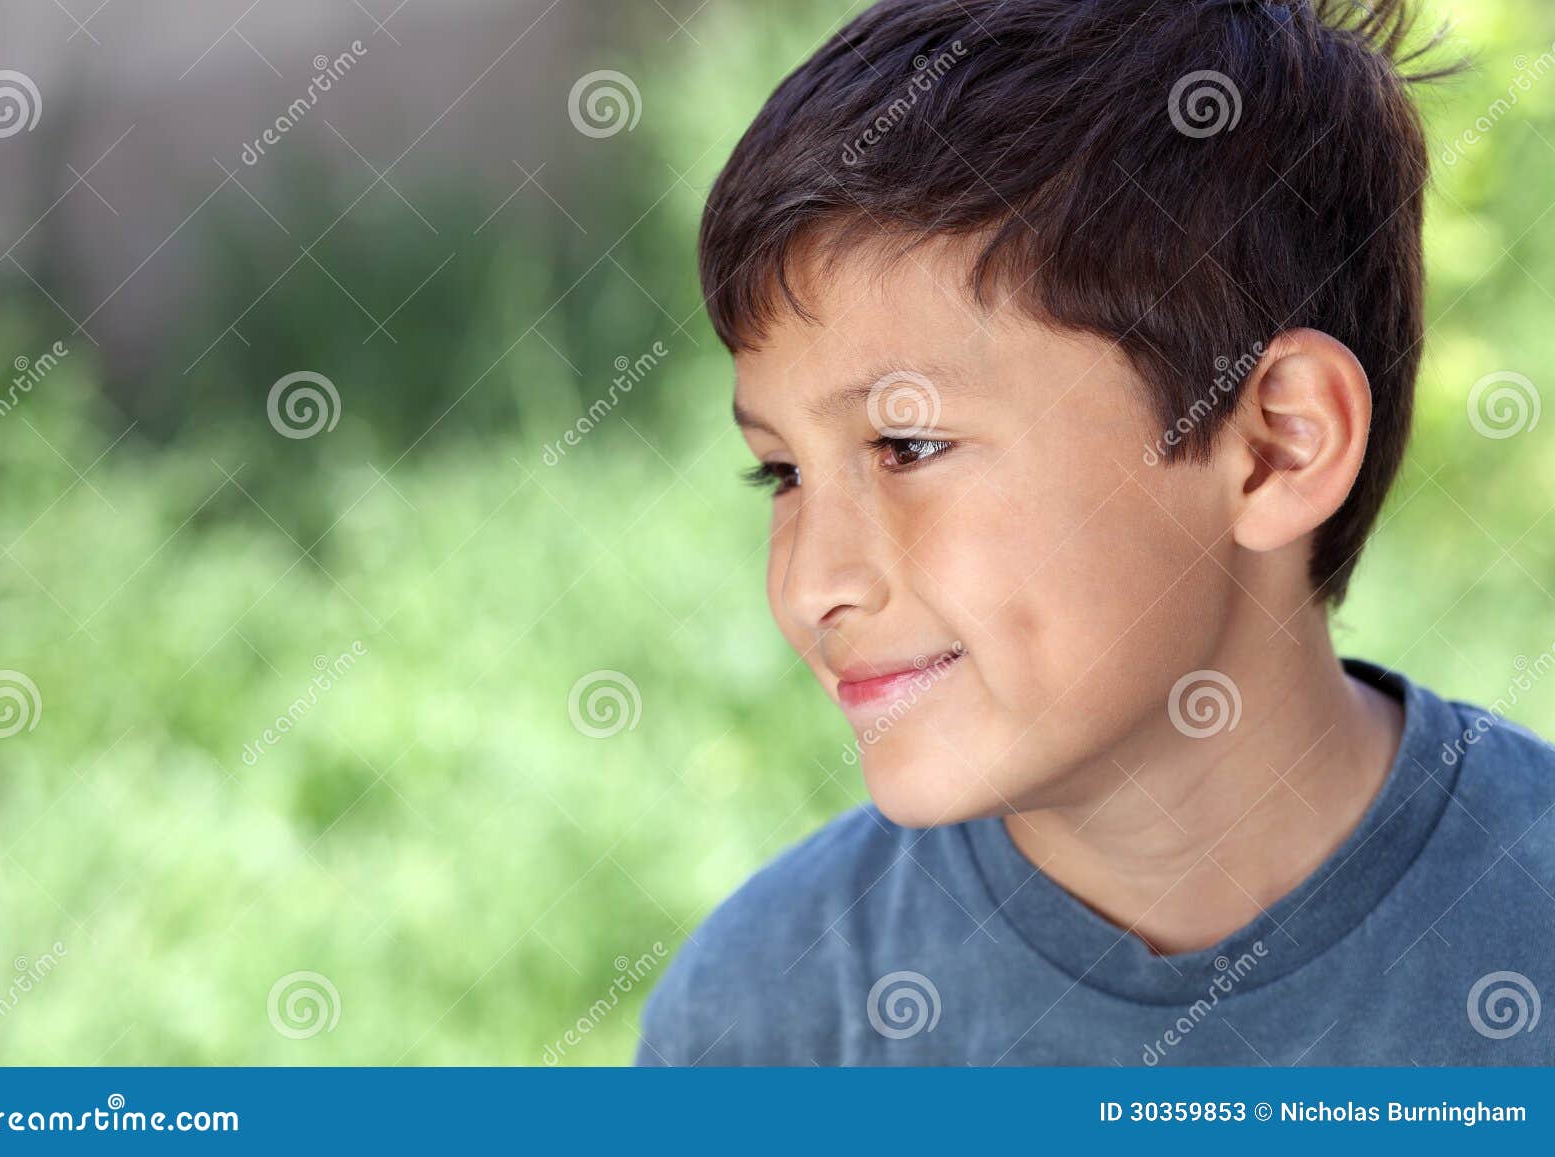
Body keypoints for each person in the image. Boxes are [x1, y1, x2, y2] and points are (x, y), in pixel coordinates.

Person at [636, 0, 1554, 1065]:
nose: (810, 585)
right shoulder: (763, 1021)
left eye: (908, 445)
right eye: (783, 472)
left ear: (1278, 446)